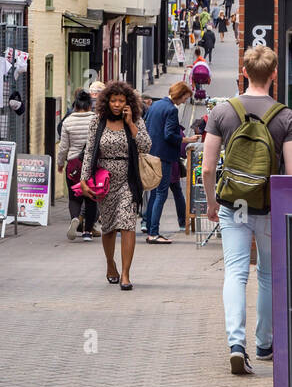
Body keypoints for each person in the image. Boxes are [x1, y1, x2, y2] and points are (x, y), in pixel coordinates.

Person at [202, 45, 292, 375]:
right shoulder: (285, 115)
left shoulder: (223, 112)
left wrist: (212, 202)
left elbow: (208, 169)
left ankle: (235, 344)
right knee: (268, 274)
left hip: (233, 204)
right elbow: (290, 174)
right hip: (268, 206)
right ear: (273, 75)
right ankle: (265, 343)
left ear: (243, 72)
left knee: (236, 273)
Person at [79, 80, 151, 290]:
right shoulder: (97, 121)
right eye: (114, 101)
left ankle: (126, 274)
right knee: (109, 227)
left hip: (129, 178)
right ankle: (111, 264)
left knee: (128, 224)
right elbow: (90, 151)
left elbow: (146, 145)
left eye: (121, 101)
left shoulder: (136, 119)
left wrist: (130, 123)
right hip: (105, 180)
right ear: (107, 101)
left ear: (128, 102)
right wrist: (84, 180)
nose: (117, 105)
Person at [144, 82, 193, 244]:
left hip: (151, 154)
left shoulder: (156, 105)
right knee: (161, 193)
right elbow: (169, 135)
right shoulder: (171, 109)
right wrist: (186, 139)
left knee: (154, 193)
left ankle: (150, 228)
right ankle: (154, 233)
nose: (185, 101)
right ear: (180, 94)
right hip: (164, 156)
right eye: (185, 97)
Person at [58, 90, 98, 242]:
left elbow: (63, 147)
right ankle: (87, 232)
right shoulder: (96, 120)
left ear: (75, 105)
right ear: (89, 105)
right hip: (92, 164)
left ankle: (75, 218)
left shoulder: (68, 121)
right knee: (91, 198)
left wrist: (60, 164)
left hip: (73, 164)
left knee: (74, 197)